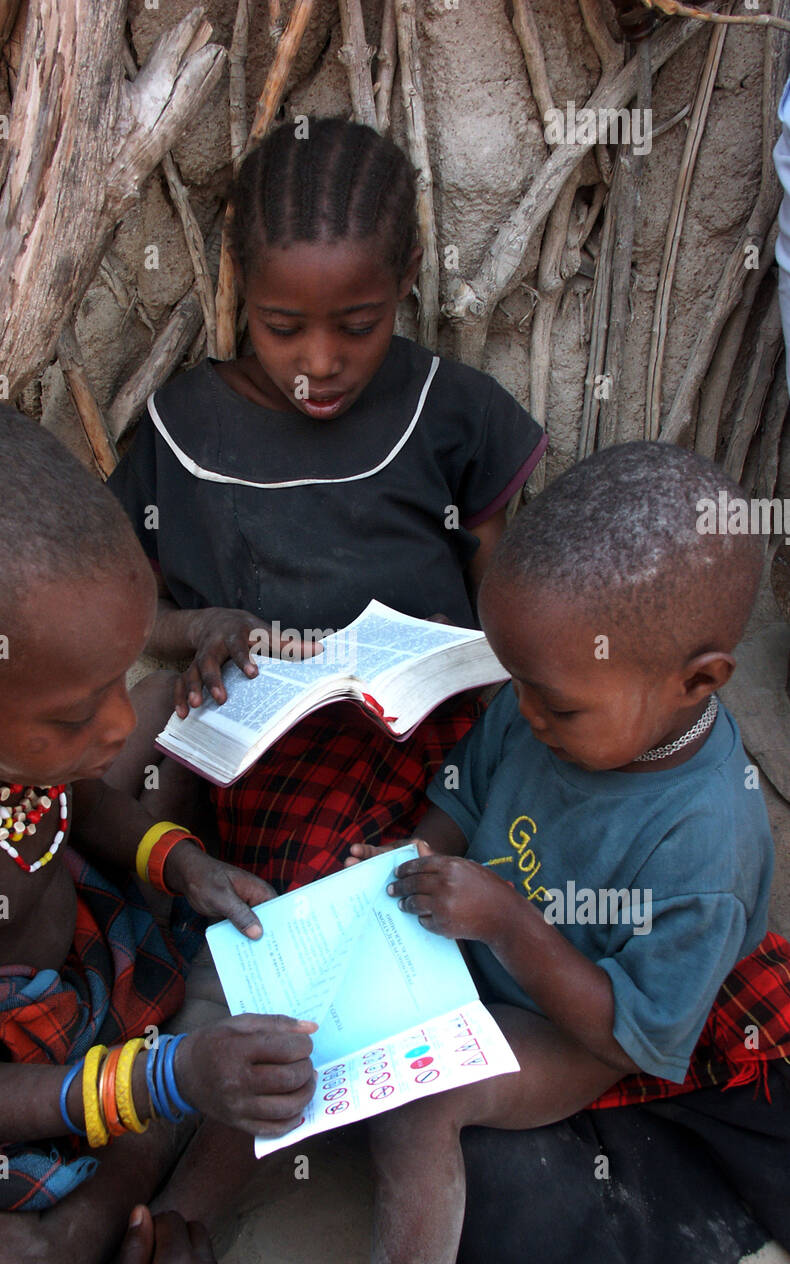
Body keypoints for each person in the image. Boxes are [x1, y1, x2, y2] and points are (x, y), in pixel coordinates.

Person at [0, 381, 317, 1264]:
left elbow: (81, 802)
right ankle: (138, 1181)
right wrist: (170, 1078)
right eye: (72, 712)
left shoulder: (14, 731)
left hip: (73, 963)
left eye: (117, 677)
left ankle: (139, 1147)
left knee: (174, 716)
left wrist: (185, 863)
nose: (114, 723)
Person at [347, 441, 790, 1264]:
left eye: (557, 702)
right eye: (518, 683)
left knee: (423, 1102)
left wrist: (505, 919)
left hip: (589, 1029)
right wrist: (418, 859)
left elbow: (635, 1034)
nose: (527, 712)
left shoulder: (704, 839)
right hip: (478, 954)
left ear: (696, 683)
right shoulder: (540, 701)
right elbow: (463, 795)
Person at [107, 117, 546, 893]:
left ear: (406, 273)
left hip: (441, 732)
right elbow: (128, 613)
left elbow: (503, 605)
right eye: (283, 328)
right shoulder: (183, 430)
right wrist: (203, 626)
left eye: (358, 325)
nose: (320, 362)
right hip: (276, 743)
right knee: (333, 884)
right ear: (242, 280)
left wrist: (462, 645)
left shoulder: (448, 411)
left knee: (531, 841)